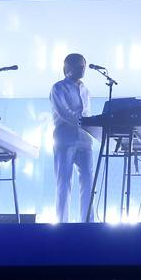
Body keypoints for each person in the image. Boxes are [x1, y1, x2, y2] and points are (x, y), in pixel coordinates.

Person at [50, 53, 95, 222]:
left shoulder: (85, 89)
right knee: (64, 180)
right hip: (65, 137)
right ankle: (62, 222)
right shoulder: (58, 88)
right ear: (67, 68)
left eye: (83, 65)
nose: (82, 69)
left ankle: (88, 221)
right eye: (78, 66)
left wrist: (92, 125)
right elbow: (63, 112)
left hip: (85, 139)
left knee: (88, 180)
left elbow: (86, 112)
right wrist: (84, 120)